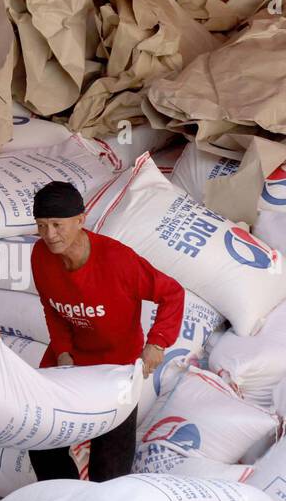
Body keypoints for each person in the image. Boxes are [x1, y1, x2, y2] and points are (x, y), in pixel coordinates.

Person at [27, 181, 184, 483]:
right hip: (69, 362)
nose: (49, 235)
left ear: (81, 220)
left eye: (57, 225)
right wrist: (61, 351)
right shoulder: (40, 256)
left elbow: (172, 294)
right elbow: (52, 308)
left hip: (116, 369)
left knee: (109, 469)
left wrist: (157, 343)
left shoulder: (117, 260)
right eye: (41, 225)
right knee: (42, 441)